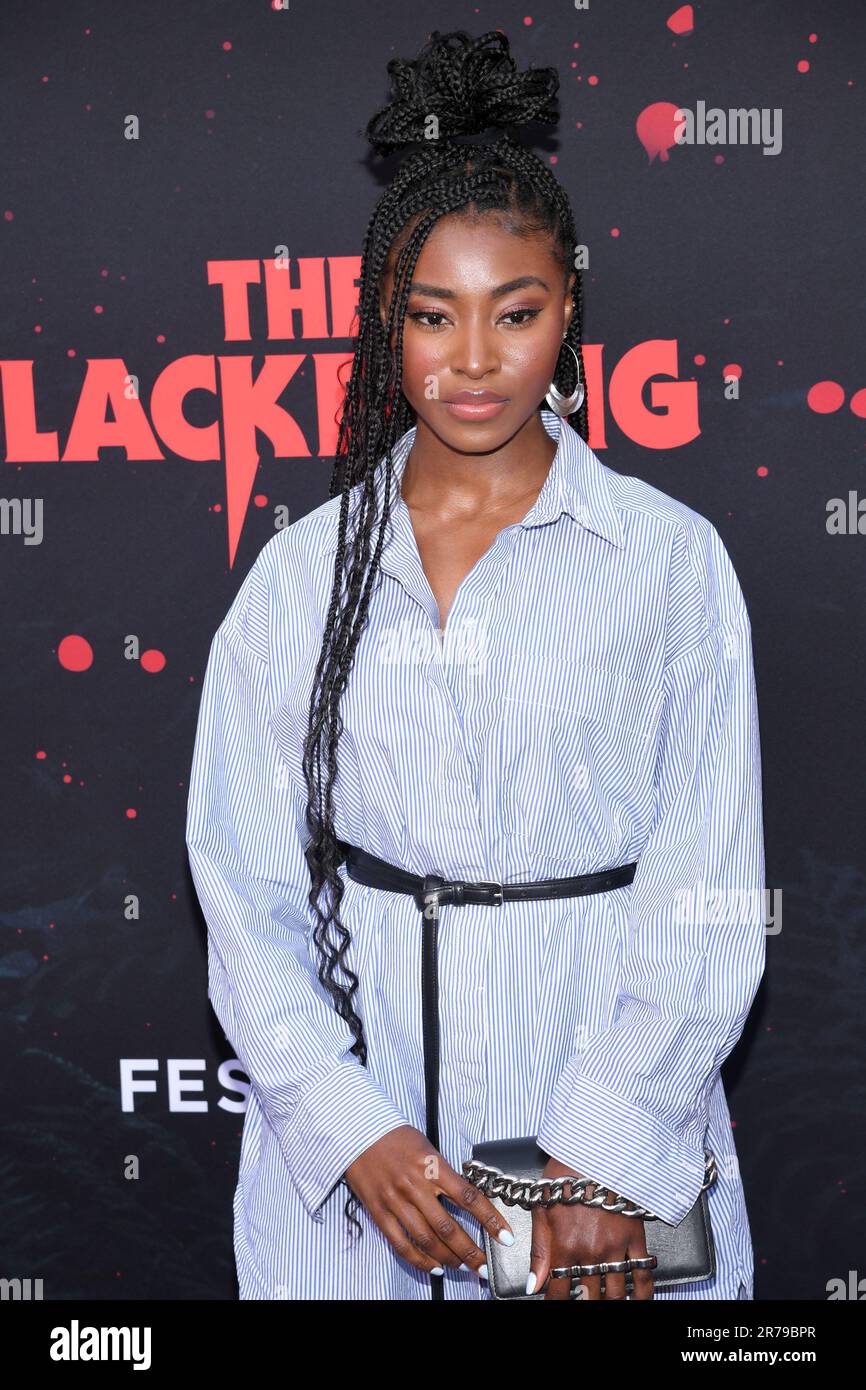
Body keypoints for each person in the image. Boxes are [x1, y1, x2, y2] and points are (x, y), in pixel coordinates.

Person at [185, 28, 766, 1302]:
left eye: (516, 312)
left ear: (568, 312)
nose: (471, 361)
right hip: (362, 1154)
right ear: (382, 325)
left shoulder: (665, 562)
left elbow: (707, 890)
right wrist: (348, 1127)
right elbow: (242, 884)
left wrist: (605, 1154)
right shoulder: (299, 578)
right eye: (429, 315)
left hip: (602, 1135)